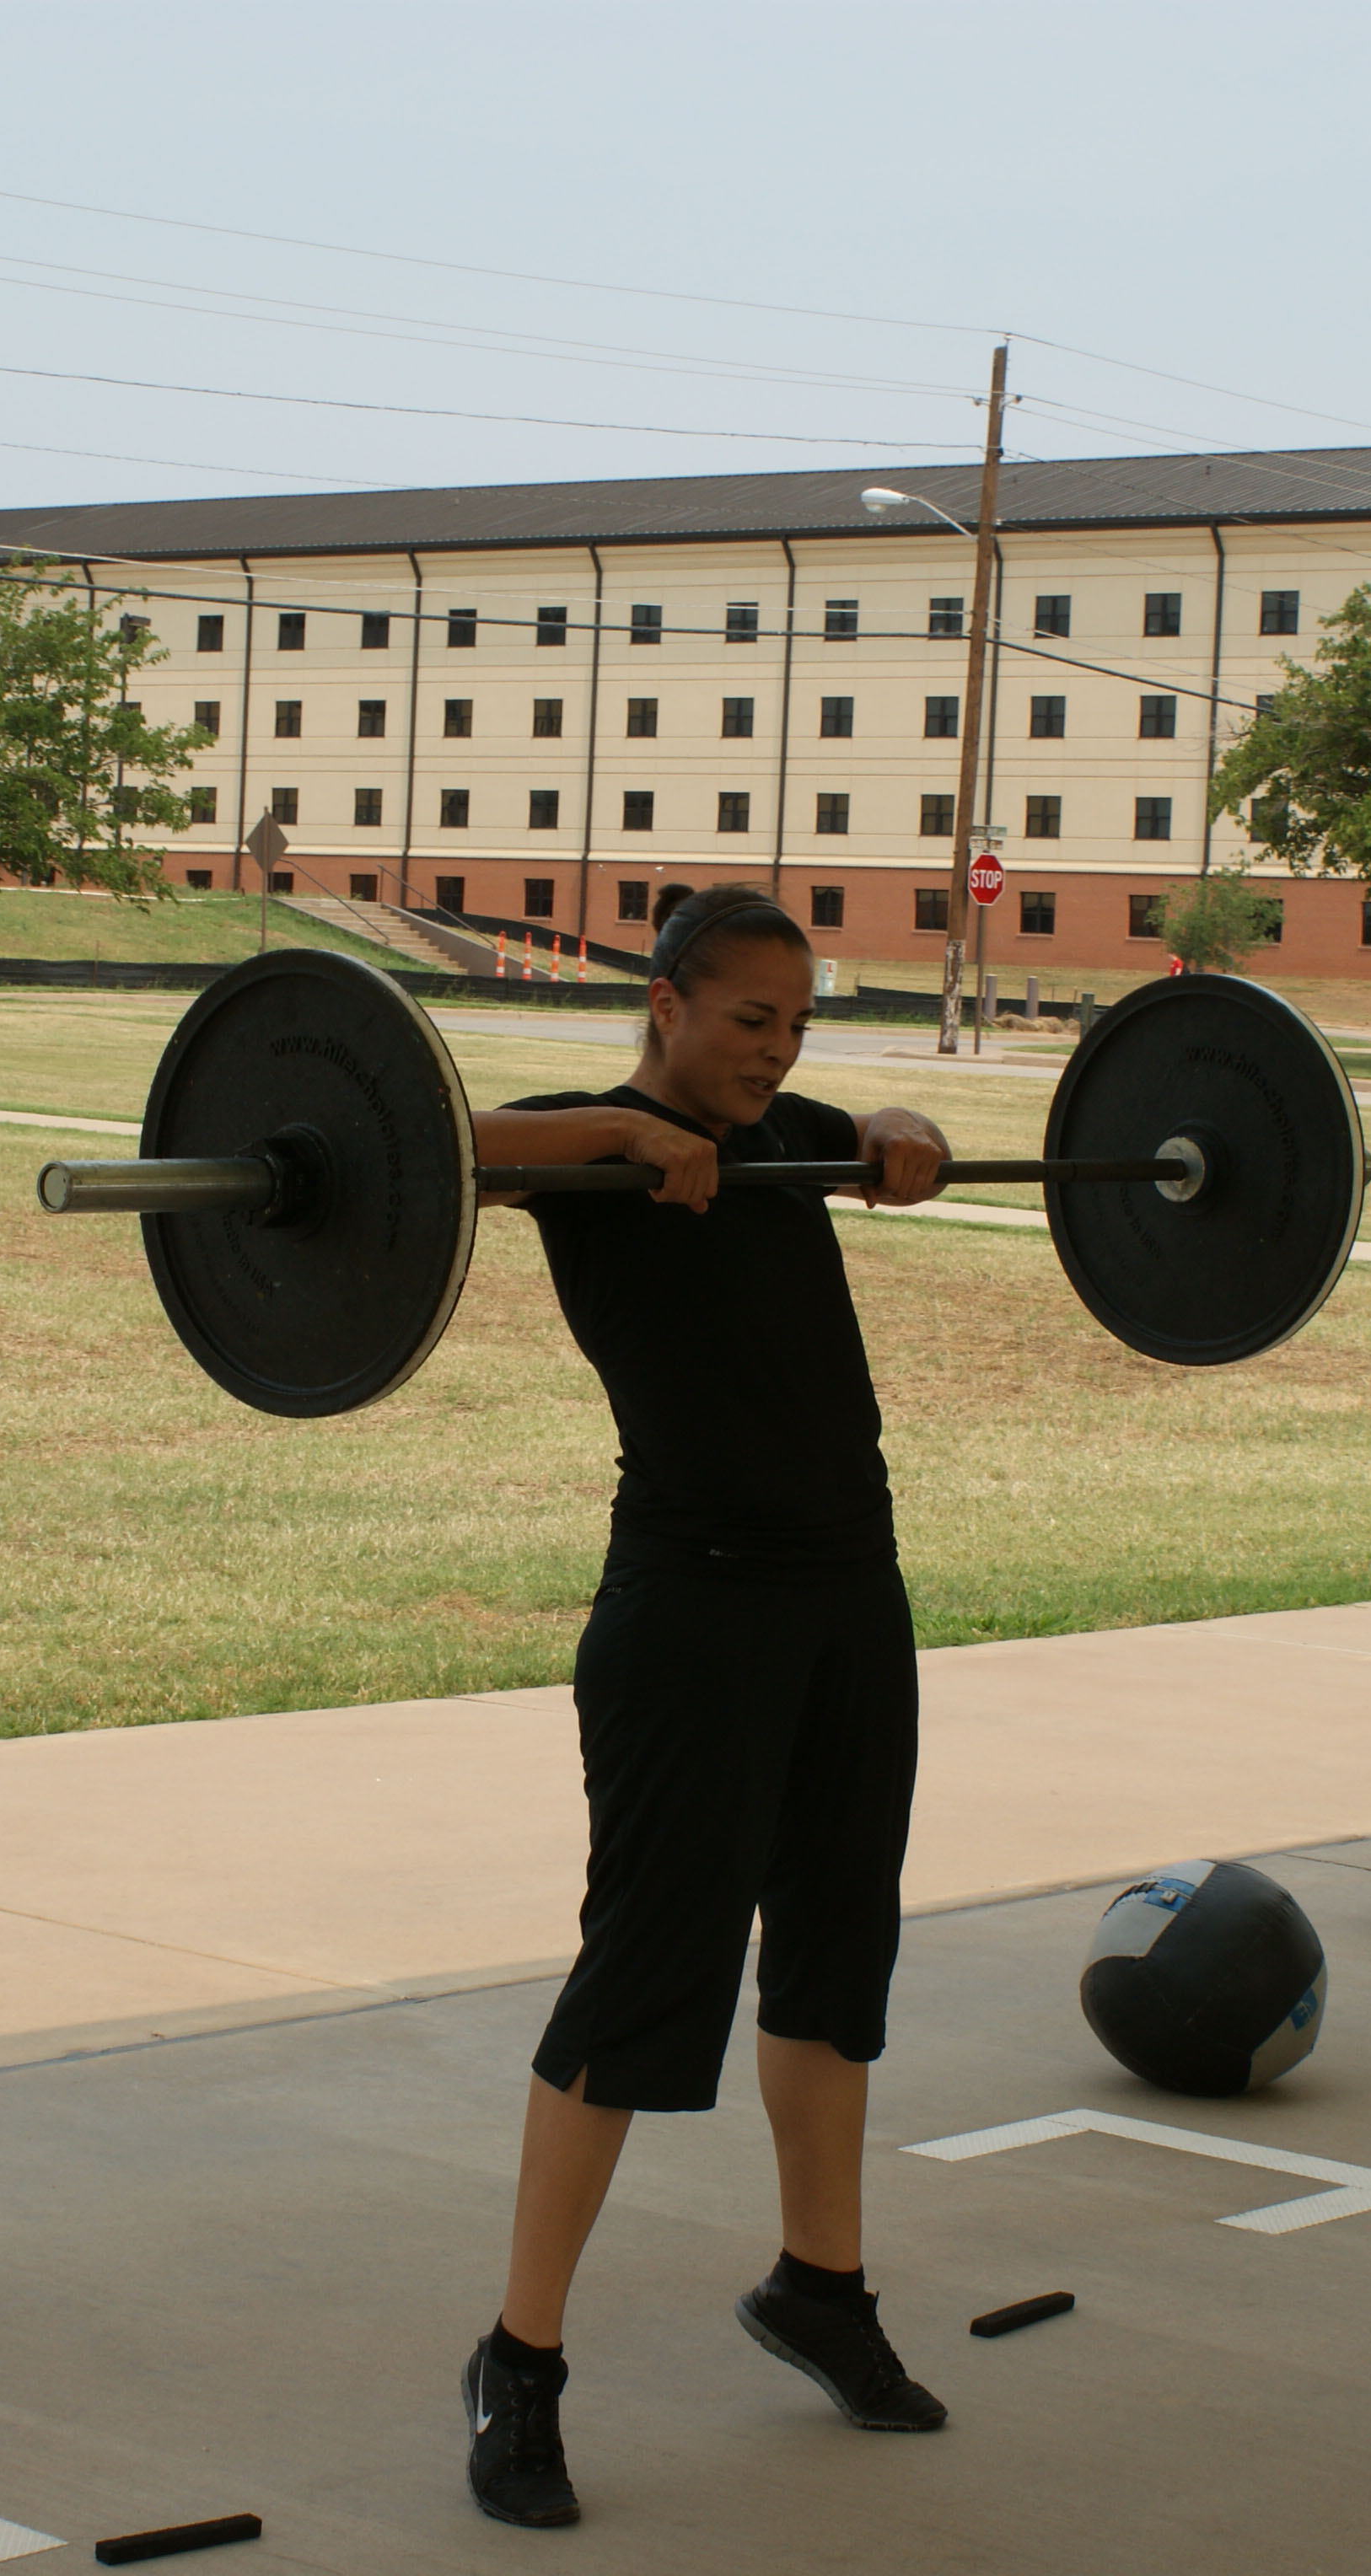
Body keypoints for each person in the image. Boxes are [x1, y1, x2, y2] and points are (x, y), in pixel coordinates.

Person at [452, 884, 954, 2530]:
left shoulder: (782, 1124)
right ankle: (518, 2360)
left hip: (845, 1595)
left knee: (832, 1958)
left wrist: (887, 1123)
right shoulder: (580, 1147)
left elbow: (864, 1127)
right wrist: (623, 1132)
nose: (776, 1055)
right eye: (751, 1020)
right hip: (694, 1608)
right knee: (649, 1976)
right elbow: (437, 1147)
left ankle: (824, 2282)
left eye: (800, 1029)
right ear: (667, 1000)